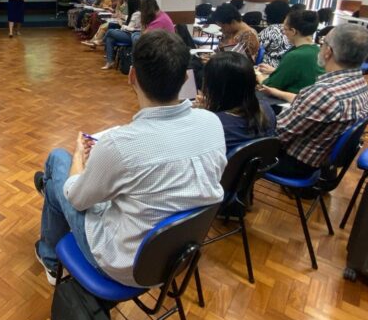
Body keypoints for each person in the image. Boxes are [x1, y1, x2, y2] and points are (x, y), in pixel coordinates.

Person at [33, 30, 227, 285]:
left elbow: (76, 199)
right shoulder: (212, 122)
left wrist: (79, 156)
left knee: (59, 160)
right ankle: (49, 194)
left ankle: (49, 255)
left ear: (131, 75)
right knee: (66, 184)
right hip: (179, 256)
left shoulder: (119, 145)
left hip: (126, 266)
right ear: (184, 78)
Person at [269, 24, 368, 178]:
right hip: (323, 159)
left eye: (323, 42)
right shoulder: (363, 86)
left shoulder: (324, 93)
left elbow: (275, 135)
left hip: (294, 164)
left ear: (328, 52)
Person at [199, 52, 276, 153]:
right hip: (260, 166)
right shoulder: (267, 110)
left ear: (213, 87)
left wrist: (203, 112)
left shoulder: (214, 125)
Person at [257, 9, 324, 103]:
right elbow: (305, 75)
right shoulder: (318, 50)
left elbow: (269, 86)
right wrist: (276, 71)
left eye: (284, 28)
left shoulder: (295, 55)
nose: (283, 32)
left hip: (290, 103)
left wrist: (257, 74)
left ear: (293, 31)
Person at [101, 0, 141, 70]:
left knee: (110, 31)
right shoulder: (136, 13)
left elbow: (131, 28)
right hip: (129, 34)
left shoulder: (137, 14)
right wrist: (121, 16)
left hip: (131, 35)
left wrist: (121, 25)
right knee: (110, 38)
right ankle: (110, 62)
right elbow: (128, 17)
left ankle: (101, 42)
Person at [258, 0, 291, 67]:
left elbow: (255, 49)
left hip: (268, 68)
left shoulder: (269, 31)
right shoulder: (292, 30)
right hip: (287, 66)